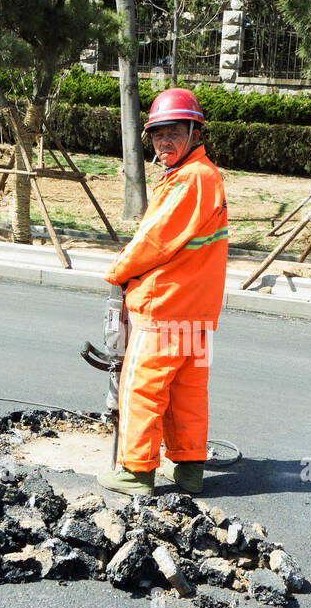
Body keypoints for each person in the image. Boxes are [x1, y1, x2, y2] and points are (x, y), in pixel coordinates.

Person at [98, 88, 228, 496]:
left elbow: (152, 242)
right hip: (198, 312)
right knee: (187, 394)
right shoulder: (206, 177)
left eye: (173, 132)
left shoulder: (188, 180)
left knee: (143, 387)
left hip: (164, 308)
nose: (164, 142)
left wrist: (117, 272)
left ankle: (136, 472)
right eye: (157, 135)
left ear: (194, 132)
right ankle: (190, 472)